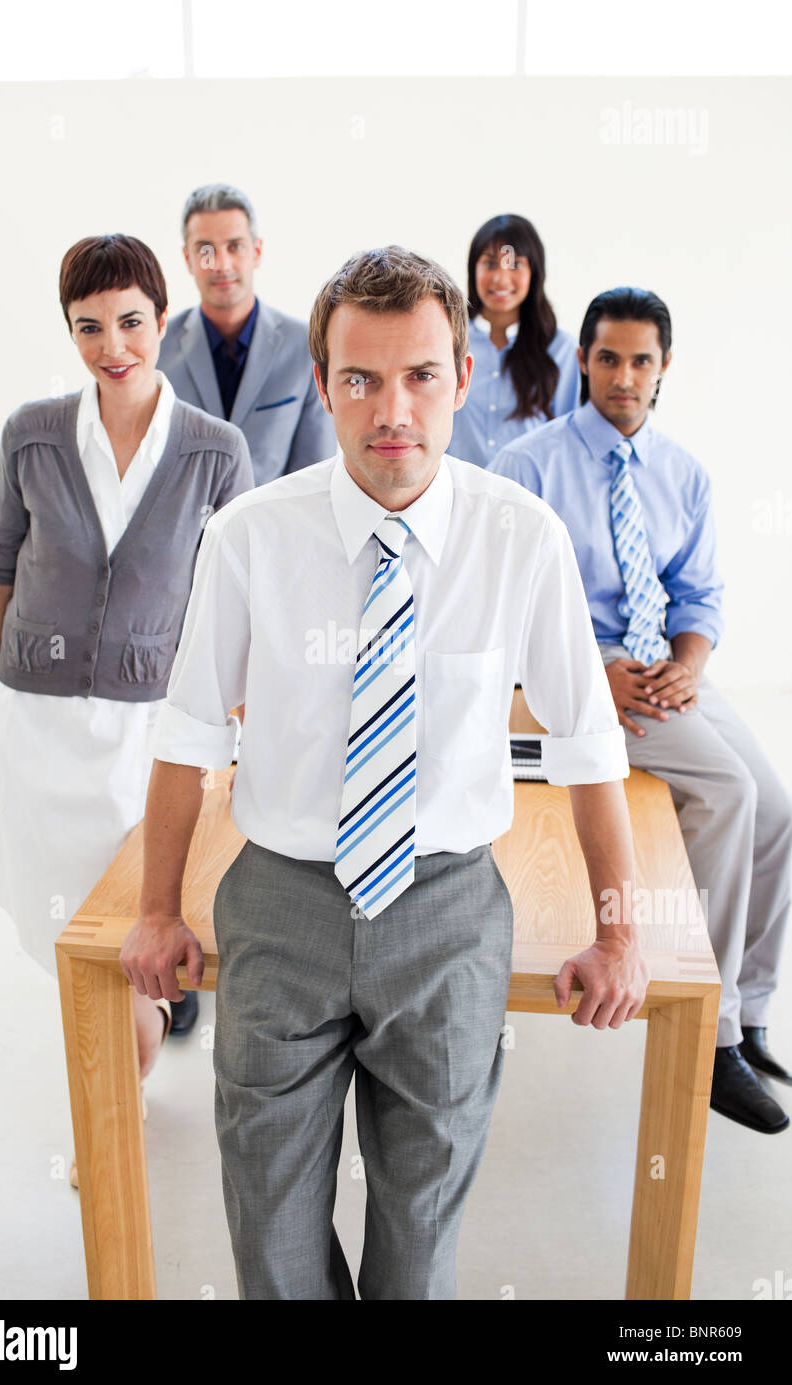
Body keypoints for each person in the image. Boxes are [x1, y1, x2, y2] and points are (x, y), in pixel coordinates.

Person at [119, 245, 648, 1301]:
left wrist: (620, 932)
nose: (390, 410)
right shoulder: (249, 536)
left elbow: (589, 745)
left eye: (420, 376)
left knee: (418, 1244)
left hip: (446, 913)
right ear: (323, 384)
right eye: (359, 379)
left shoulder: (521, 538)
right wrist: (157, 909)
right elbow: (188, 734)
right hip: (281, 907)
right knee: (270, 1234)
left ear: (461, 378)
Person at [0, 234, 254, 1183]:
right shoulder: (32, 434)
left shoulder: (215, 453)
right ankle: (120, 1094)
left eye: (130, 322)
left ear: (163, 320)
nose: (112, 346)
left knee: (132, 928)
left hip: (149, 738)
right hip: (35, 727)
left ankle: (115, 1104)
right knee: (71, 946)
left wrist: (239, 738)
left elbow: (236, 605)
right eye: (89, 328)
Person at [490, 286, 792, 1135]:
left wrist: (688, 668)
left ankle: (752, 1008)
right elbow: (506, 605)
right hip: (578, 673)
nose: (624, 376)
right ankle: (710, 1038)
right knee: (728, 792)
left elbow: (700, 593)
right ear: (583, 361)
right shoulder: (528, 466)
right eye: (608, 358)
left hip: (664, 667)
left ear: (664, 368)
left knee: (777, 806)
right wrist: (592, 673)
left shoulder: (682, 473)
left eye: (641, 361)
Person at [159, 182, 336, 485]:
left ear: (256, 252)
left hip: (275, 516)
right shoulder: (158, 349)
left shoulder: (305, 346)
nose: (221, 264)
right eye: (206, 250)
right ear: (188, 259)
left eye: (235, 247)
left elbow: (314, 475)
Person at [447, 214, 580, 470]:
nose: (501, 278)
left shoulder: (562, 350)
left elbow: (570, 443)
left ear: (534, 272)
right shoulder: (448, 340)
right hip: (456, 491)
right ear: (473, 269)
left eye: (515, 264)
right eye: (490, 264)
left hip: (531, 491)